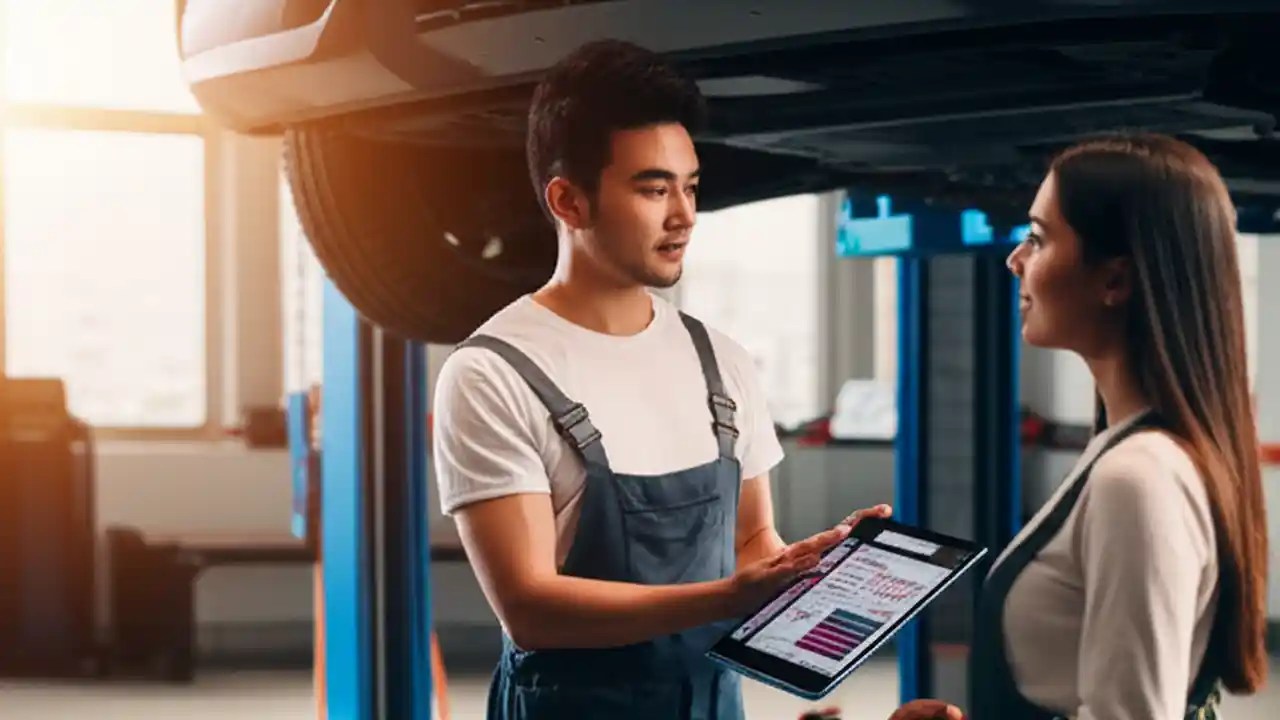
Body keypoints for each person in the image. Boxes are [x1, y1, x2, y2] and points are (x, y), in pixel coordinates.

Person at [431, 39, 889, 720]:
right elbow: (531, 609)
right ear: (569, 202)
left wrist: (816, 565)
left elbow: (749, 545)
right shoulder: (494, 374)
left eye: (690, 185)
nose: (683, 215)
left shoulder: (721, 361)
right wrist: (728, 598)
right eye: (653, 188)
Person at [893, 133, 1269, 720]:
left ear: (1114, 281)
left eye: (1039, 239)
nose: (1015, 259)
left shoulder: (1138, 477)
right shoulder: (1130, 453)